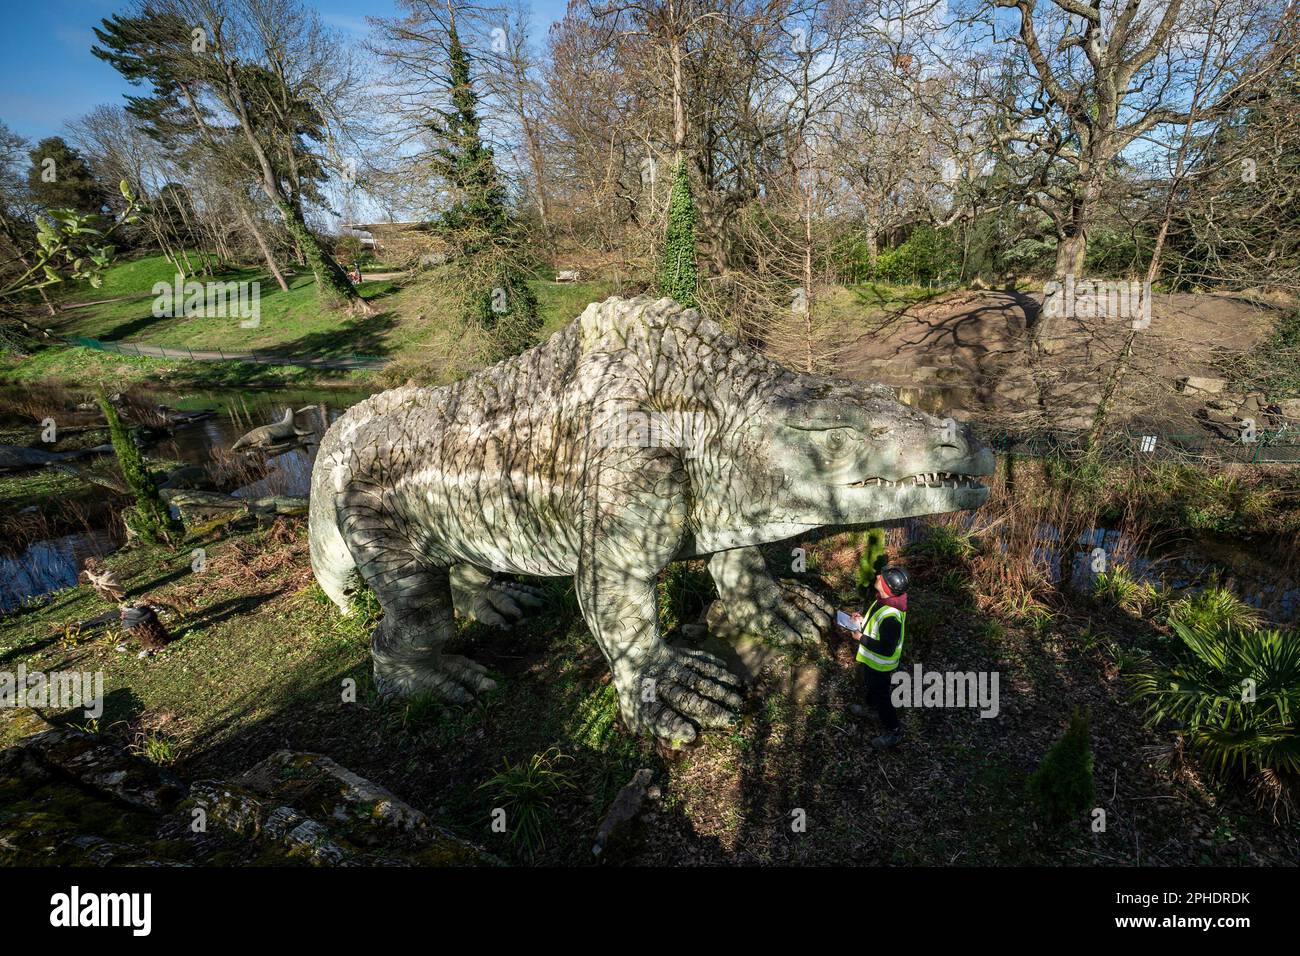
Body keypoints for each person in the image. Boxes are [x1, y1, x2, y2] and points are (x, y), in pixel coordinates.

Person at [843, 565, 909, 749]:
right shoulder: (883, 600)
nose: (878, 575)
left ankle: (895, 731)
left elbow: (887, 649)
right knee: (870, 684)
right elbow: (875, 625)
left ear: (887, 588)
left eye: (883, 577)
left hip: (881, 664)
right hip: (872, 661)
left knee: (882, 697)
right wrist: (861, 621)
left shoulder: (891, 618)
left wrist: (861, 638)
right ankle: (871, 709)